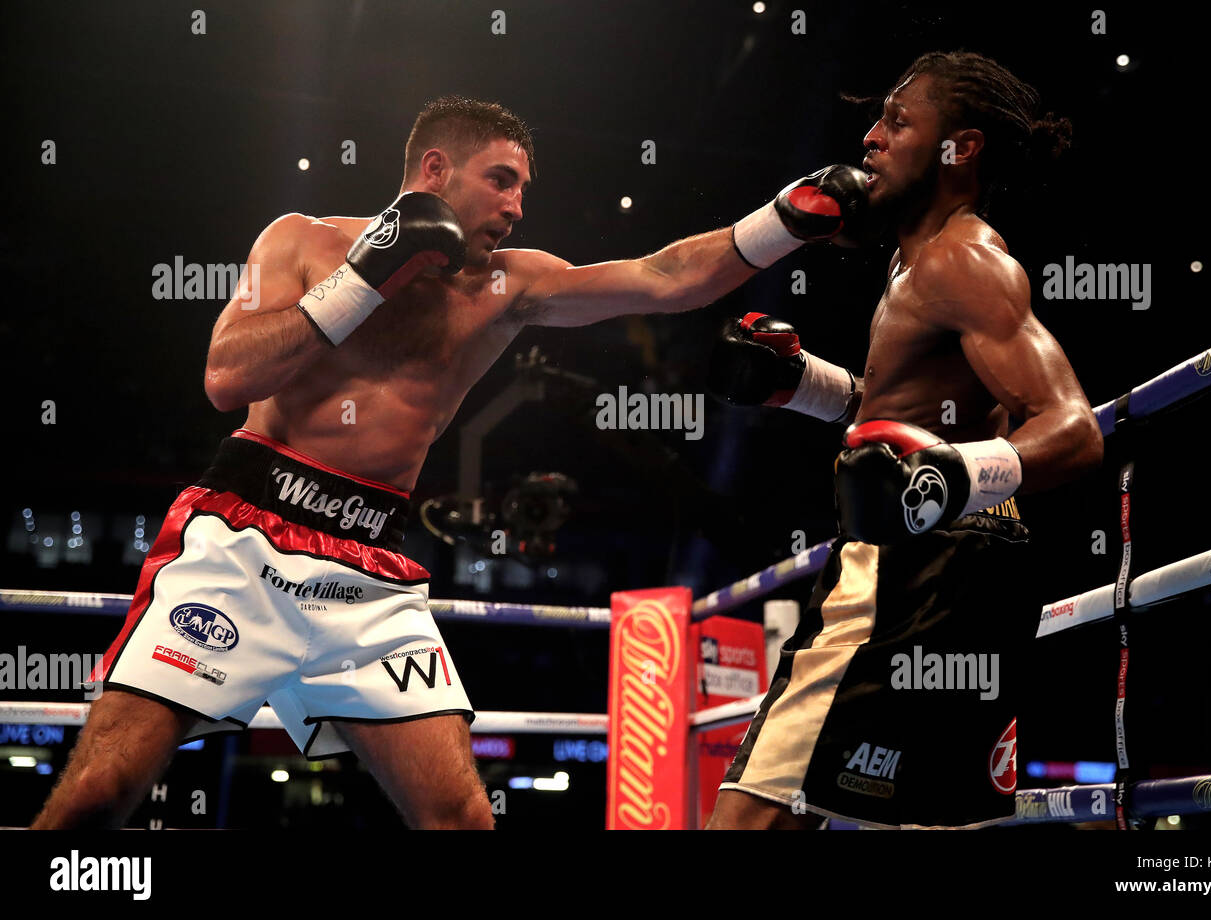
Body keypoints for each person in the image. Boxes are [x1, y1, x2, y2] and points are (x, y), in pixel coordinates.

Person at [31, 96, 871, 829]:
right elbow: (227, 377)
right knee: (99, 794)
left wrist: (783, 220)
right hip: (240, 543)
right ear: (435, 167)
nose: (515, 206)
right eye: (501, 180)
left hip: (369, 570)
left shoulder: (508, 285)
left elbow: (662, 278)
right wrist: (366, 279)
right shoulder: (306, 242)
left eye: (523, 189)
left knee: (463, 816)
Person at [706, 52, 1103, 829]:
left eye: (896, 120)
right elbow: (914, 417)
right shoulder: (911, 259)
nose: (870, 137)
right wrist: (800, 383)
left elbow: (1074, 429)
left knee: (751, 815)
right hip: (961, 566)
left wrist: (943, 481)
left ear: (961, 147)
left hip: (907, 564)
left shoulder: (962, 261)